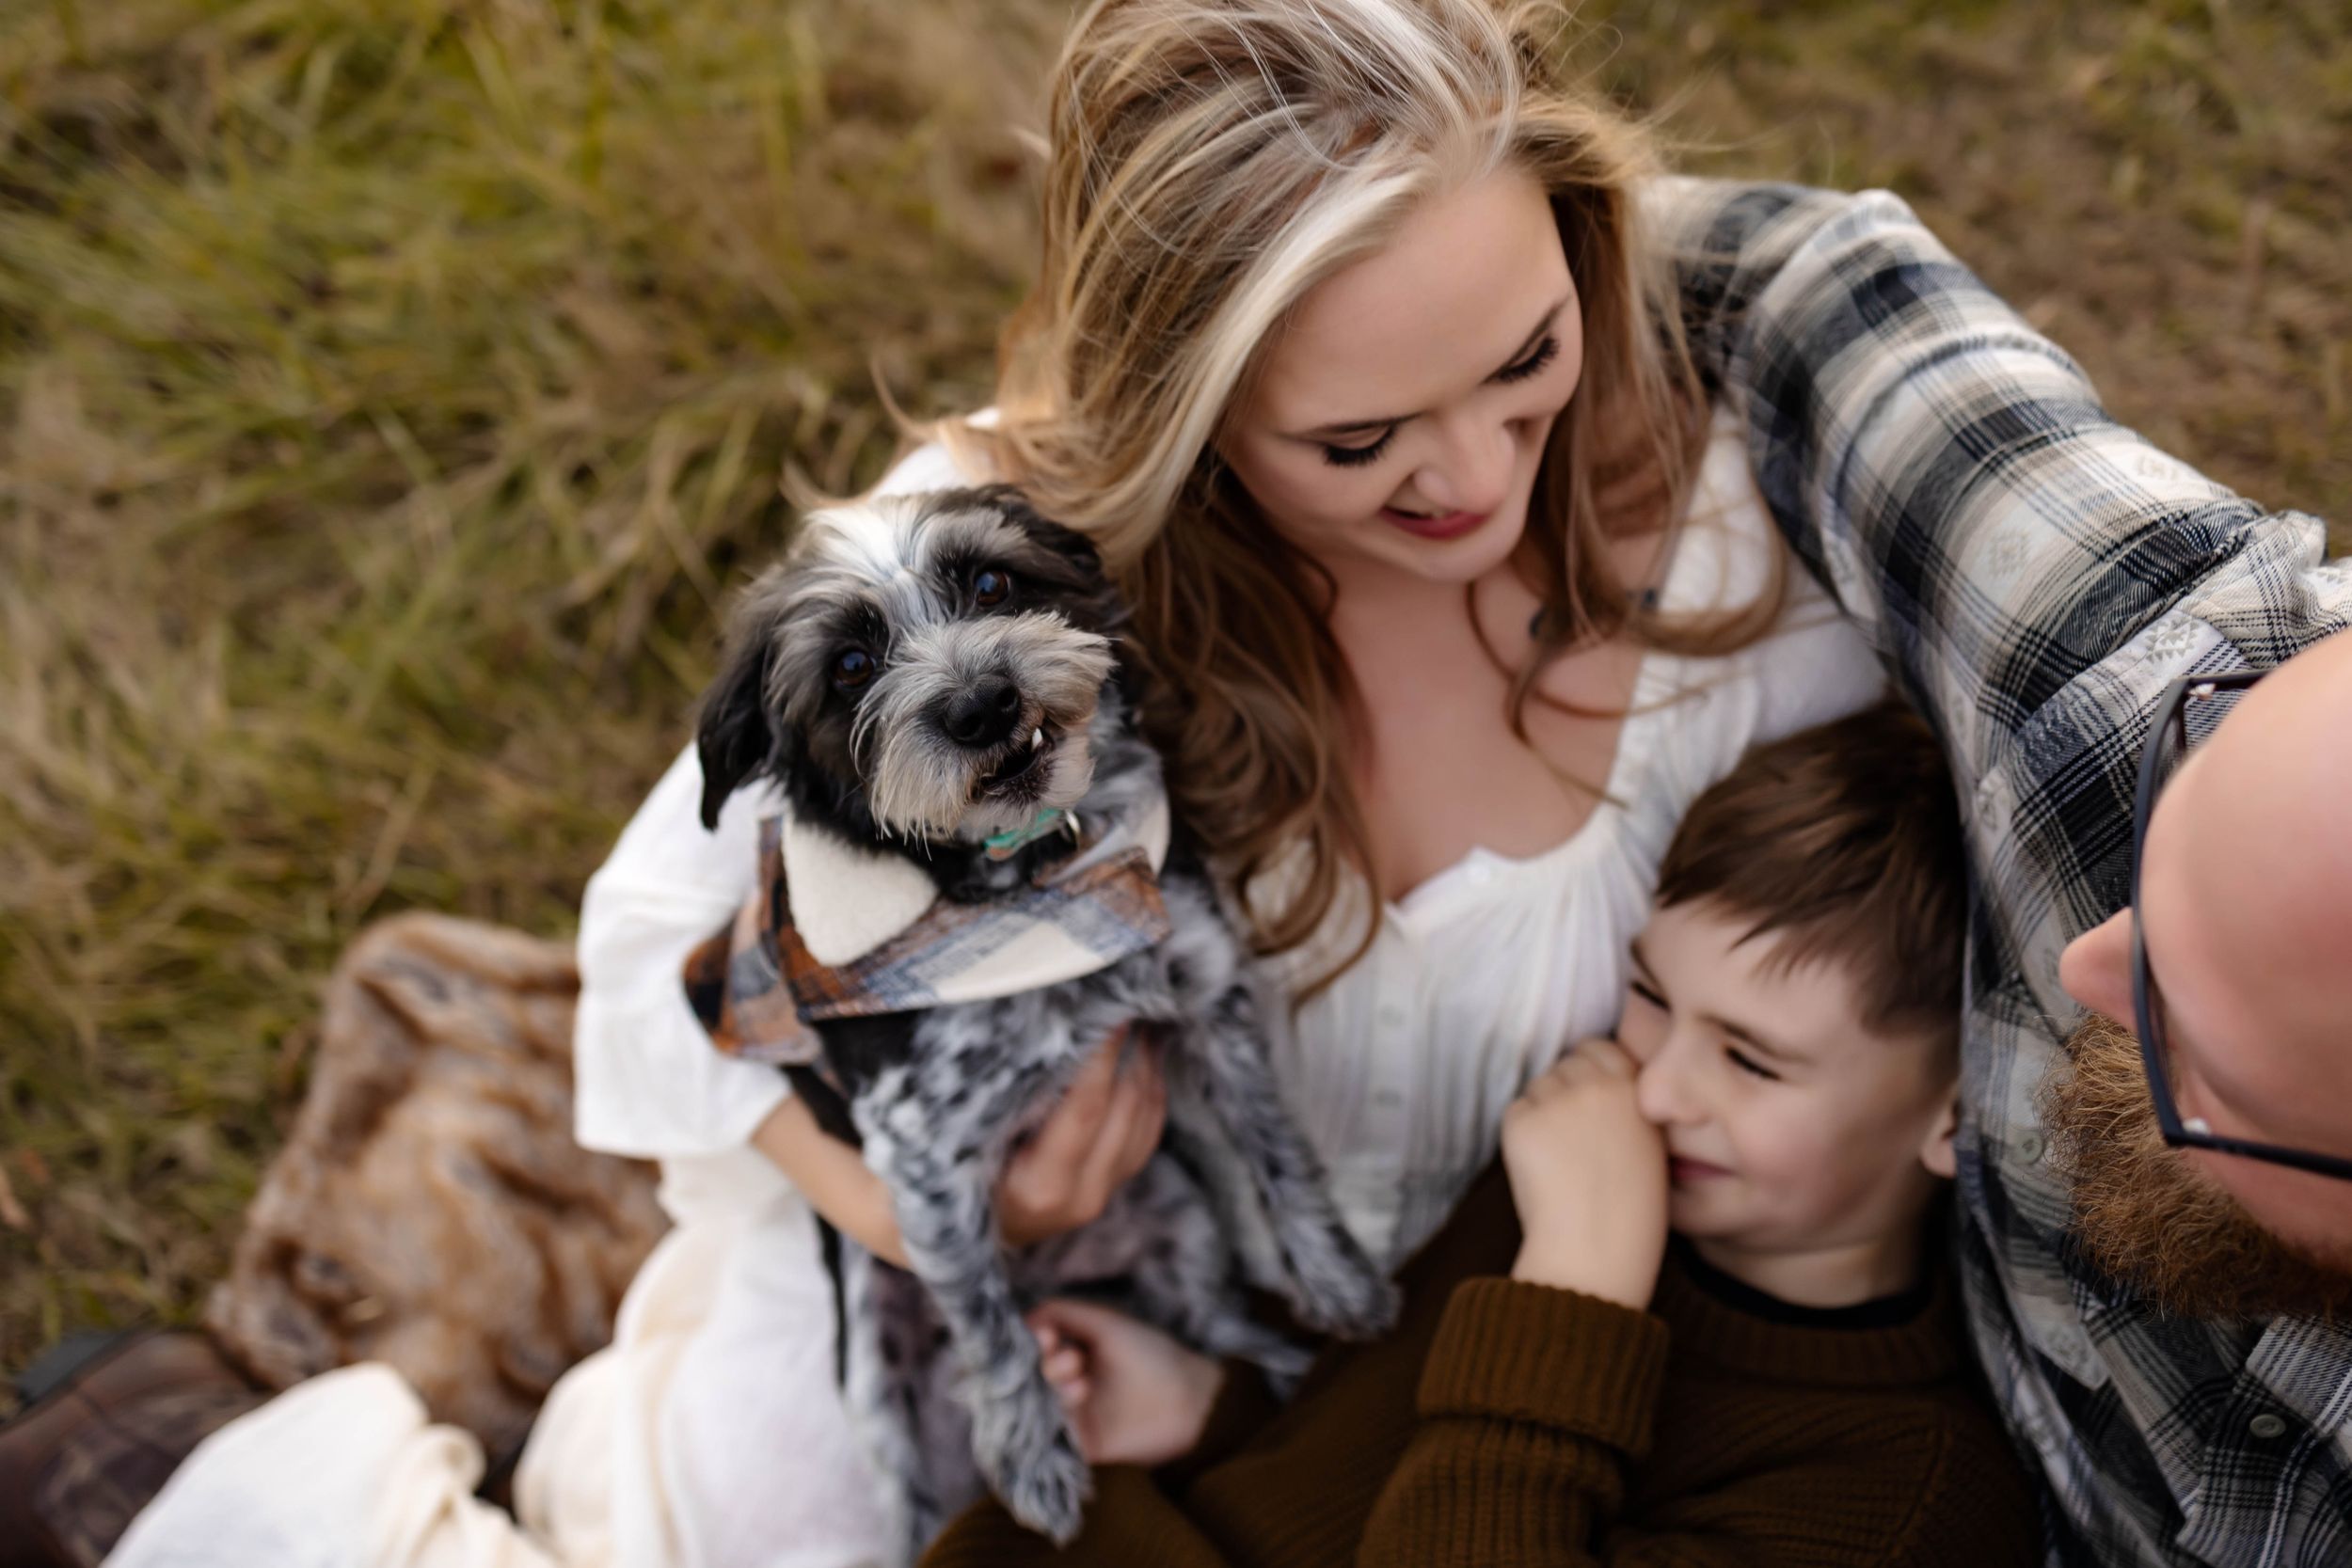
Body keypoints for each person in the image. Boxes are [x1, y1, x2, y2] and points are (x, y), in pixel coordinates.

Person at [917, 702, 2041, 1568]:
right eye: (1650, 992)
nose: (1655, 1088)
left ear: (1958, 1108)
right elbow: (1379, 1454)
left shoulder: (1901, 1497)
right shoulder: (1584, 1163)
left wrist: (1573, 1298)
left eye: (1751, 1058)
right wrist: (1216, 1409)